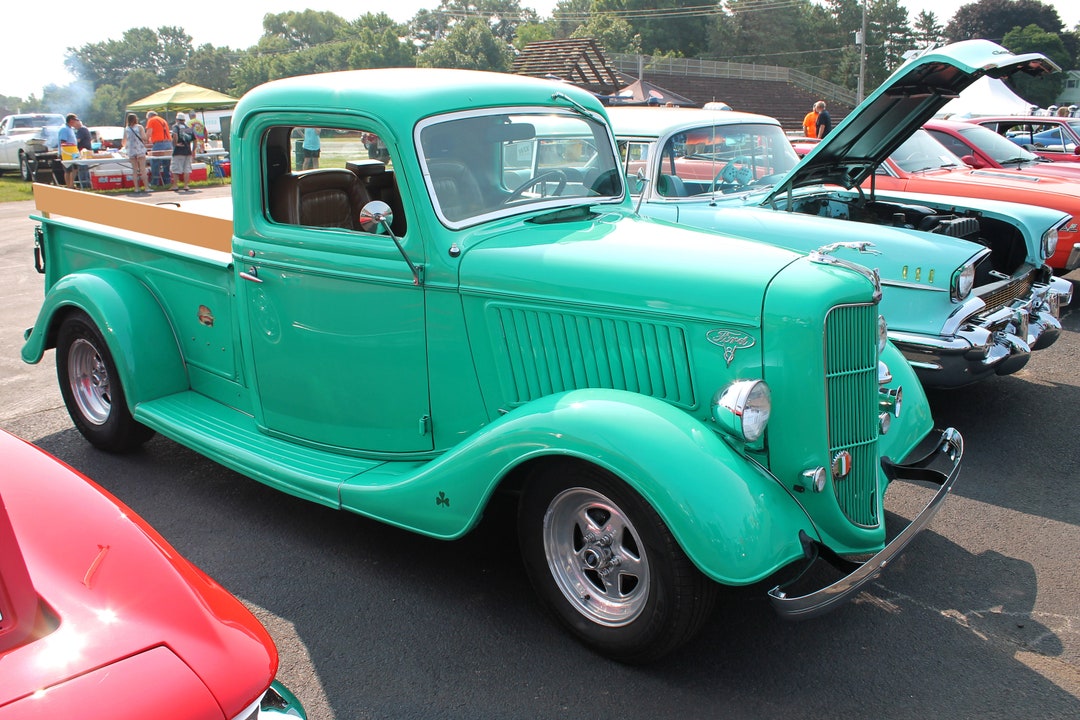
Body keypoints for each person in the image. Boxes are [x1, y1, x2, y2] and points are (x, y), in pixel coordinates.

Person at [122, 112, 149, 194]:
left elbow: (123, 141)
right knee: (142, 169)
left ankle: (136, 188)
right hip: (139, 150)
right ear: (136, 119)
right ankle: (146, 187)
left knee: (134, 170)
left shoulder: (126, 129)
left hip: (131, 151)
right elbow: (144, 138)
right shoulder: (139, 127)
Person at [145, 110, 172, 188]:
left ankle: (155, 182)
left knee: (155, 162)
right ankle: (167, 181)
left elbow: (149, 133)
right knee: (166, 163)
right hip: (168, 143)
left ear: (149, 117)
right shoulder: (163, 120)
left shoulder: (151, 120)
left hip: (159, 144)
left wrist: (144, 141)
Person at [169, 114, 195, 192]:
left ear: (177, 119)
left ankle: (175, 185)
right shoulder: (188, 128)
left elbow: (175, 135)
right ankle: (186, 185)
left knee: (176, 169)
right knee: (187, 169)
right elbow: (195, 140)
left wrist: (175, 143)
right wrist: (193, 150)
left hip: (178, 151)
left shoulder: (176, 127)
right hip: (188, 151)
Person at [57, 113, 80, 188]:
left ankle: (71, 184)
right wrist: (66, 151)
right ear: (71, 120)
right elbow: (63, 142)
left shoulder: (70, 128)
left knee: (75, 169)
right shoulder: (64, 129)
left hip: (73, 152)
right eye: (75, 120)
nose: (76, 122)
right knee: (68, 170)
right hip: (67, 153)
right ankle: (69, 186)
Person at [75, 119, 93, 189]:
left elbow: (77, 140)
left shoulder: (81, 130)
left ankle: (84, 185)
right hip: (86, 151)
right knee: (84, 168)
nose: (74, 126)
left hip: (84, 152)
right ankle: (86, 184)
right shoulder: (84, 129)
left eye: (75, 125)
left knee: (83, 168)